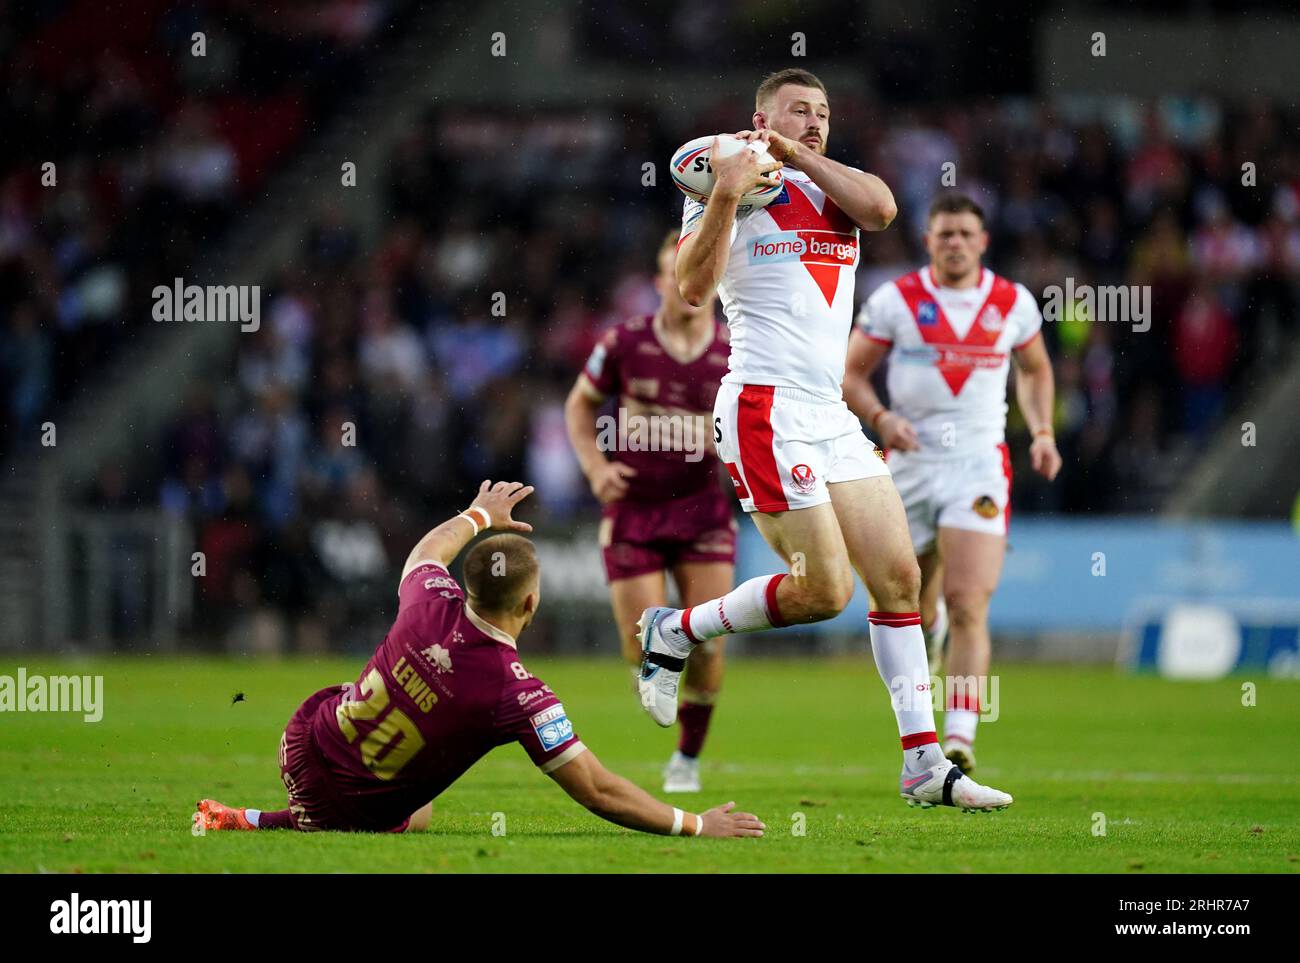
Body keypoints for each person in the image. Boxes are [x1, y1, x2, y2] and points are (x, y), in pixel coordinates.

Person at [638, 68, 1013, 811]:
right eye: (797, 112)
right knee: (823, 589)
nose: (815, 122)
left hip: (830, 413)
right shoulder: (730, 188)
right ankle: (675, 629)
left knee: (900, 579)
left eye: (823, 113)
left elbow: (882, 207)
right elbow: (692, 288)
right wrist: (724, 190)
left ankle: (924, 764)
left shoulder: (833, 184)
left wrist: (800, 153)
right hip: (762, 409)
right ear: (758, 117)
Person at [196, 481, 765, 839]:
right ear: (530, 602)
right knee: (404, 799)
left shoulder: (427, 599)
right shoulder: (518, 693)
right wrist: (694, 824)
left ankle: (254, 818)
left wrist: (477, 516)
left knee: (414, 794)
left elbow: (426, 551)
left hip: (301, 742)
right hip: (350, 808)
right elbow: (597, 789)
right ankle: (283, 819)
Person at [843, 193, 1062, 774]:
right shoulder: (896, 300)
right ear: (929, 241)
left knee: (969, 602)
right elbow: (851, 374)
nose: (956, 243)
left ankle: (959, 737)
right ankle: (928, 636)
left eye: (966, 233)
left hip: (977, 467)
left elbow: (1037, 368)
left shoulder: (1011, 303)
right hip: (907, 467)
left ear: (983, 241)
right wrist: (883, 418)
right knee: (908, 602)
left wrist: (1041, 431)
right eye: (945, 234)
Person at [565, 230, 735, 793]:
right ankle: (660, 651)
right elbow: (579, 405)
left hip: (704, 513)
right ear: (663, 281)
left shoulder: (738, 350)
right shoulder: (624, 342)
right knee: (639, 650)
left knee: (709, 645)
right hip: (634, 510)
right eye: (677, 271)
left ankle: (686, 759)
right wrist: (595, 468)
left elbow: (758, 426)